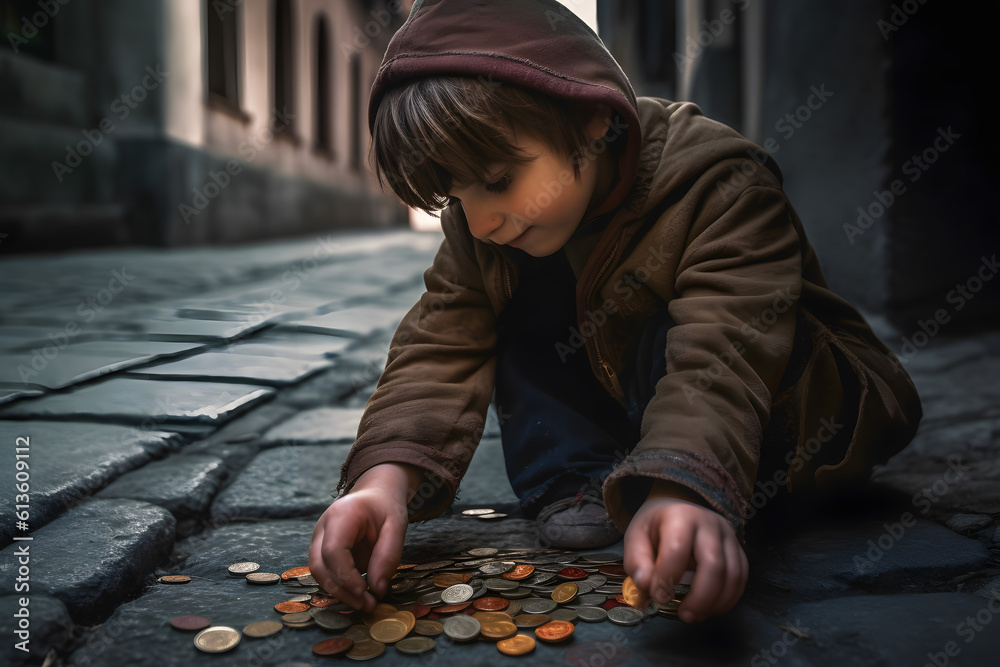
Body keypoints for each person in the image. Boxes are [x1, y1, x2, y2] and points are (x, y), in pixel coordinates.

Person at [309, 0, 922, 624]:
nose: (481, 222)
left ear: (593, 120)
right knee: (504, 299)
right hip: (649, 395)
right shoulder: (484, 231)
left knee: (669, 328)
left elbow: (727, 346)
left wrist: (684, 484)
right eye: (454, 198)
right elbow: (440, 341)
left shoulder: (718, 182)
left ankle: (680, 480)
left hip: (807, 412)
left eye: (496, 181)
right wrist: (381, 480)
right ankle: (576, 477)